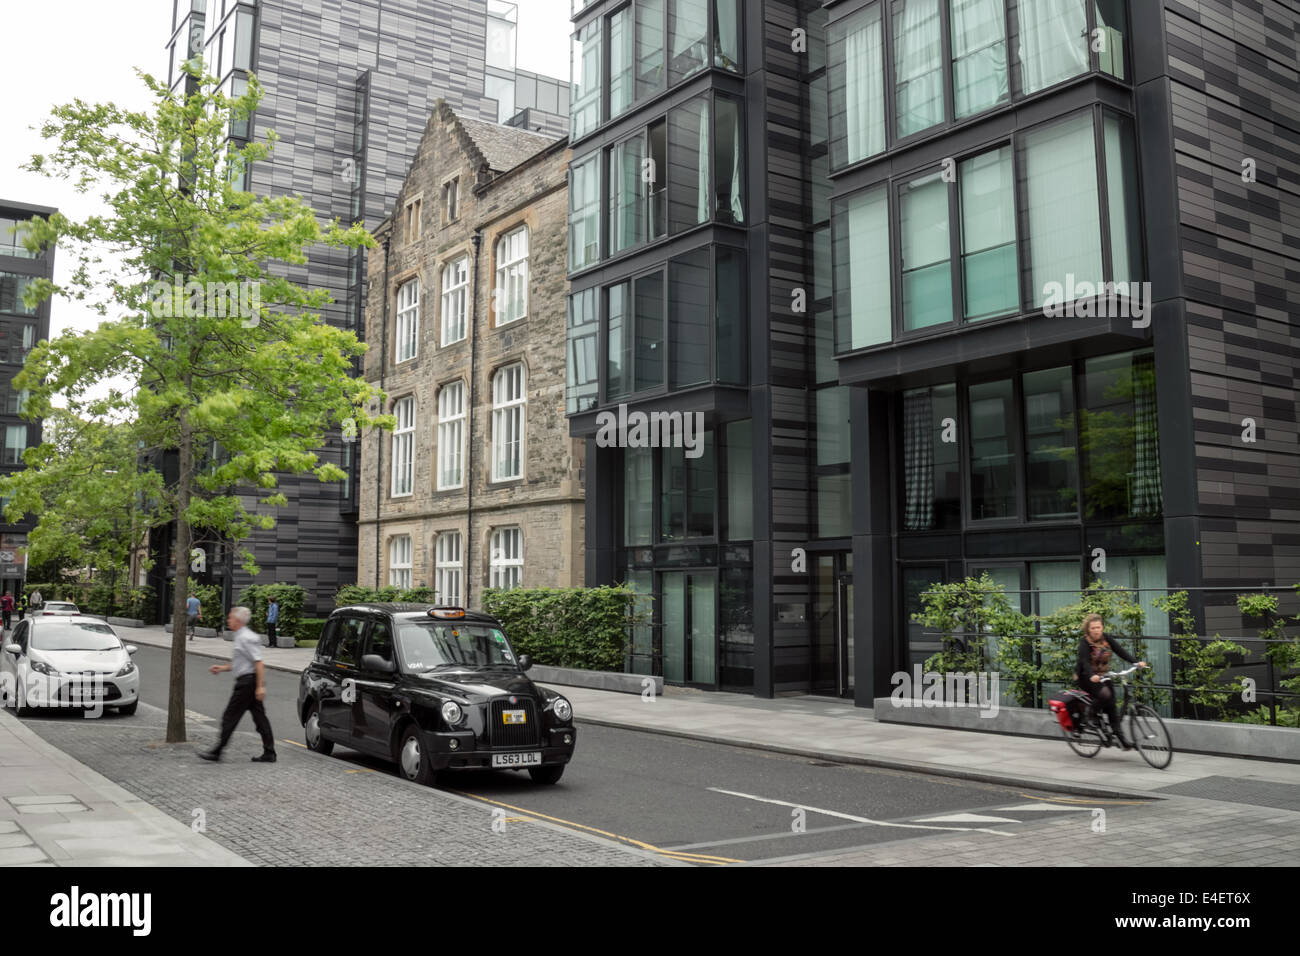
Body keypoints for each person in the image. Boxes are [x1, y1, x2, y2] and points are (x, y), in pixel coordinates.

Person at [199, 607, 276, 763]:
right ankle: (269, 752)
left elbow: (259, 663)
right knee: (260, 719)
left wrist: (260, 686)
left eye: (230, 617)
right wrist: (221, 668)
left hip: (247, 684)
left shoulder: (246, 637)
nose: (228, 620)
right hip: (248, 681)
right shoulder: (241, 636)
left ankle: (217, 751)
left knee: (230, 717)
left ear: (238, 621)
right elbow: (240, 663)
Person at [1076, 613, 1147, 750]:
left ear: (1102, 627)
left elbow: (1120, 651)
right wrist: (1091, 675)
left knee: (1112, 706)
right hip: (1086, 677)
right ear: (1088, 630)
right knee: (1105, 695)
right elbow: (1084, 662)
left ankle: (1120, 738)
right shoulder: (1084, 642)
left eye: (1098, 627)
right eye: (1093, 628)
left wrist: (1136, 662)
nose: (1096, 630)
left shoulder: (1107, 638)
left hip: (1104, 675)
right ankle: (1090, 714)